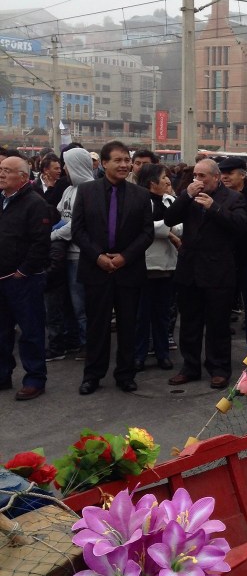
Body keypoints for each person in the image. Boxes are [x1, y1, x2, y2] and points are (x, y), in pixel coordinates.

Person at [72, 140, 154, 395]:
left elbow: (146, 233)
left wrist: (123, 258)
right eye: (117, 160)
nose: (124, 165)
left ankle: (125, 374)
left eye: (126, 160)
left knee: (128, 325)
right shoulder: (86, 191)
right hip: (96, 269)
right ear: (104, 163)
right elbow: (78, 230)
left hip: (128, 270)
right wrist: (98, 257)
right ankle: (93, 375)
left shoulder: (140, 194)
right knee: (97, 326)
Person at [164, 158, 247, 389]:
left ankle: (219, 368)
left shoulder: (233, 198)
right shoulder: (188, 195)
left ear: (216, 177)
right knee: (189, 322)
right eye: (195, 176)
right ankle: (189, 367)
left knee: (217, 323)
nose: (197, 181)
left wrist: (214, 208)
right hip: (190, 268)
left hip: (218, 269)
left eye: (202, 177)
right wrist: (185, 196)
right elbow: (170, 218)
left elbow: (240, 226)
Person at [0, 155, 52, 401]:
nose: (1, 174)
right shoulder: (2, 200)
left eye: (7, 171)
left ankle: (34, 379)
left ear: (22, 177)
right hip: (2, 277)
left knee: (31, 331)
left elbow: (41, 243)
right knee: (1, 331)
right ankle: (2, 374)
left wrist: (24, 271)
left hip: (23, 279)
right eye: (1, 169)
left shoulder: (34, 203)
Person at [49, 146, 96, 358]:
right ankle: (74, 340)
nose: (64, 168)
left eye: (67, 163)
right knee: (68, 304)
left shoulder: (91, 190)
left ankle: (89, 344)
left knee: (81, 306)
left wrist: (52, 236)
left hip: (80, 256)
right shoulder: (68, 189)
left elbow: (76, 224)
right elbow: (60, 215)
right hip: (65, 255)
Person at [134, 163, 181, 371]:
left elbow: (180, 227)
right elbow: (140, 227)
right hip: (144, 266)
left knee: (162, 315)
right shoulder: (139, 201)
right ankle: (139, 355)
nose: (168, 181)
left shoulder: (170, 200)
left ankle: (162, 354)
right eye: (163, 177)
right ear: (152, 182)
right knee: (141, 315)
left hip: (167, 267)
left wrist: (165, 229)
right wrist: (167, 231)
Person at [219, 156, 247, 357]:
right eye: (222, 173)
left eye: (230, 173)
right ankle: (220, 359)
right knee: (220, 312)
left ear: (243, 175)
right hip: (223, 261)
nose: (225, 177)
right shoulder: (217, 197)